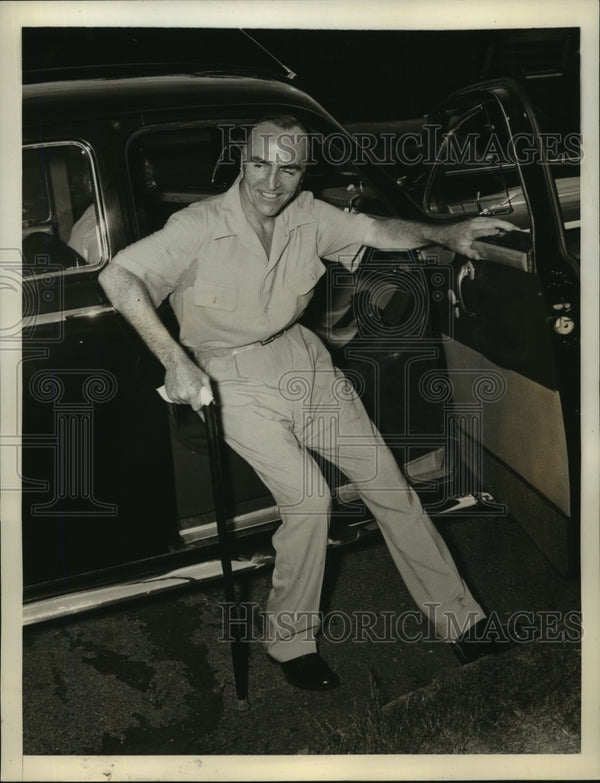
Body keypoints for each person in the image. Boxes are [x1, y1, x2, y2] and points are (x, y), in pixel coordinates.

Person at [99, 115, 520, 691]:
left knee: (389, 486)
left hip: (305, 363)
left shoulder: (311, 217)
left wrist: (445, 232)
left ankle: (462, 623)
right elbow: (118, 274)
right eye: (260, 163)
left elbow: (379, 230)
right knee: (307, 497)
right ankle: (291, 641)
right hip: (231, 376)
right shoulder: (196, 225)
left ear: (303, 174)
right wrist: (175, 358)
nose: (272, 181)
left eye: (289, 167)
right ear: (241, 162)